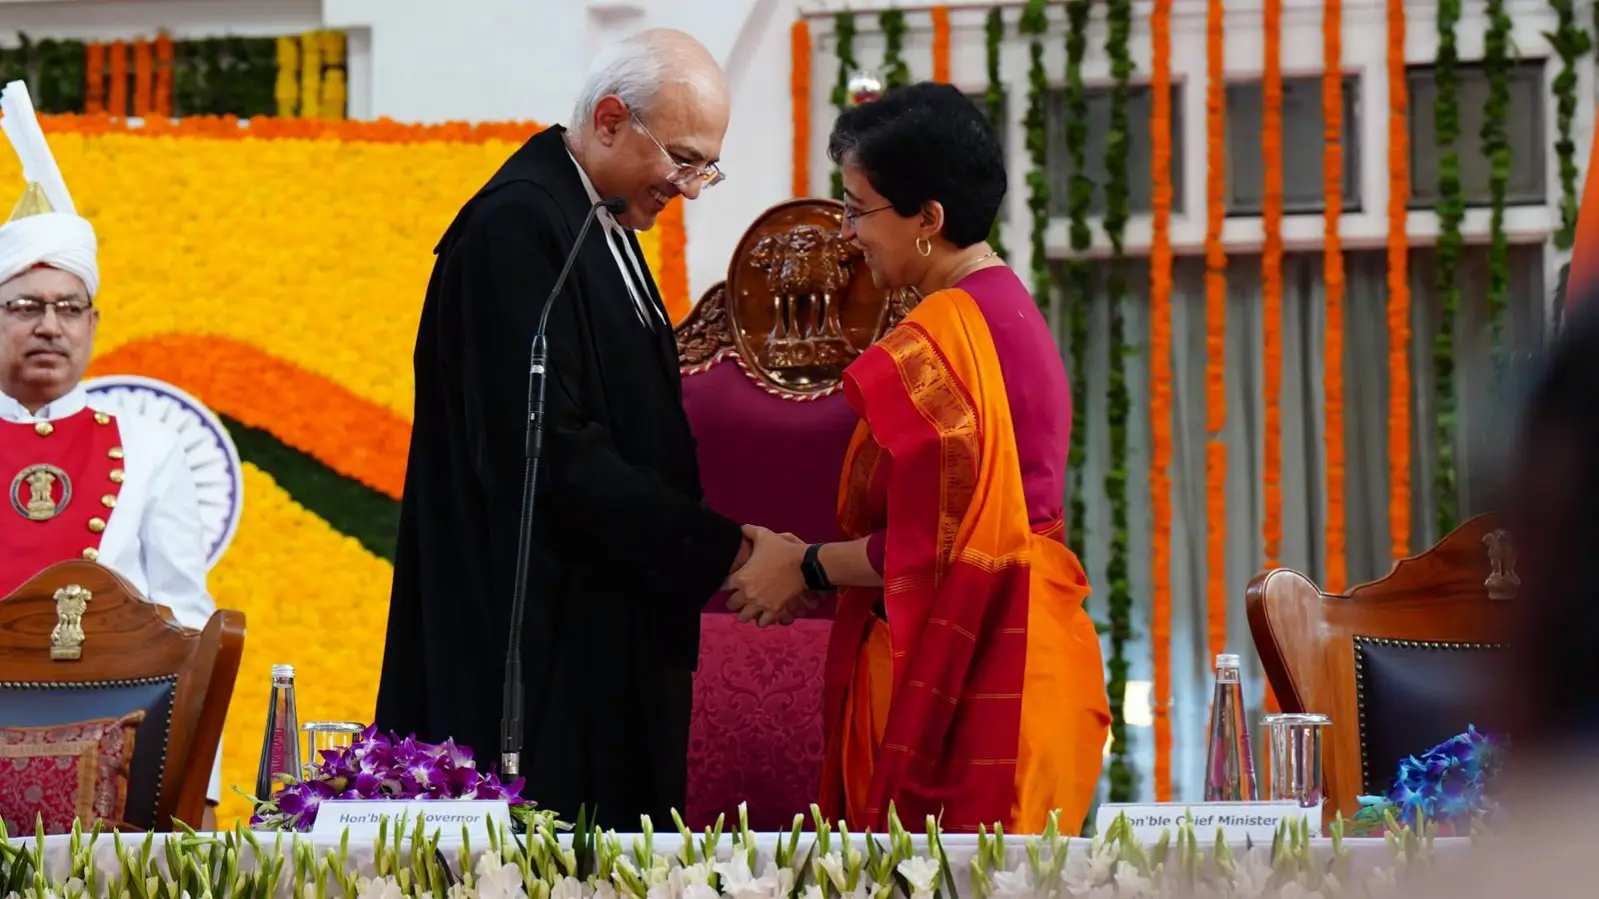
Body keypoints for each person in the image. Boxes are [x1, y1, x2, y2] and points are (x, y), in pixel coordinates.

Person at [375, 30, 781, 828]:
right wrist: (724, 550)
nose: (694, 188)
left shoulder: (603, 225)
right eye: (685, 159)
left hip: (608, 639)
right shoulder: (517, 230)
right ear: (607, 119)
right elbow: (551, 455)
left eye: (707, 166)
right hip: (533, 659)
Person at [727, 82, 1110, 834]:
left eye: (856, 207)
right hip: (1024, 652)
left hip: (980, 673)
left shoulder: (948, 331)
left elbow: (937, 544)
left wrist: (804, 565)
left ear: (928, 219)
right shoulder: (1005, 305)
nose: (845, 232)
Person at [0, 80, 221, 824]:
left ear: (94, 323)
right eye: (25, 306)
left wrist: (201, 783)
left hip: (110, 762)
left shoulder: (149, 446)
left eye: (69, 308)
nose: (49, 326)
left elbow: (189, 624)